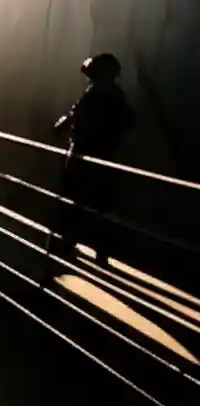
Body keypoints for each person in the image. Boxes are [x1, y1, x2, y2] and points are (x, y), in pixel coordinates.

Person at [53, 53, 135, 265]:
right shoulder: (117, 95)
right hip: (105, 155)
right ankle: (102, 251)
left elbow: (74, 114)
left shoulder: (93, 93)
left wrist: (61, 127)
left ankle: (69, 242)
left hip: (83, 152)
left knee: (74, 199)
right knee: (101, 204)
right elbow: (129, 121)